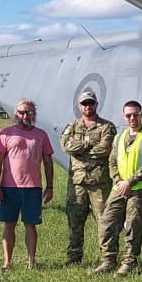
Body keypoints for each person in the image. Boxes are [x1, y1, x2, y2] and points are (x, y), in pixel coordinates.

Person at [89, 100, 142, 276]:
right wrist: (118, 181)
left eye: (135, 114)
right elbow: (112, 162)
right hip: (119, 187)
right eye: (128, 115)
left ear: (141, 115)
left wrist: (129, 182)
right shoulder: (119, 138)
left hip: (141, 188)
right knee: (107, 221)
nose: (132, 118)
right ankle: (108, 260)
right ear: (124, 116)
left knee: (133, 223)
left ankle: (130, 262)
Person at [0, 98, 54, 270]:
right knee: (9, 224)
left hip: (33, 187)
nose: (25, 115)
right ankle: (7, 262)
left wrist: (50, 187)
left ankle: (31, 262)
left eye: (29, 112)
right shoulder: (6, 134)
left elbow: (48, 162)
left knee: (30, 225)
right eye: (22, 112)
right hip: (9, 187)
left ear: (34, 114)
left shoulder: (41, 135)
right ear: (15, 114)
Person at [60, 90, 116, 265]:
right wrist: (89, 144)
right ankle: (74, 259)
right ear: (79, 105)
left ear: (96, 104)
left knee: (104, 221)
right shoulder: (72, 126)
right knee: (74, 222)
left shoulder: (107, 127)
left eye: (91, 103)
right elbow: (65, 145)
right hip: (77, 183)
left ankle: (108, 259)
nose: (88, 106)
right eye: (84, 103)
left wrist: (80, 149)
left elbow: (105, 149)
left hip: (99, 183)